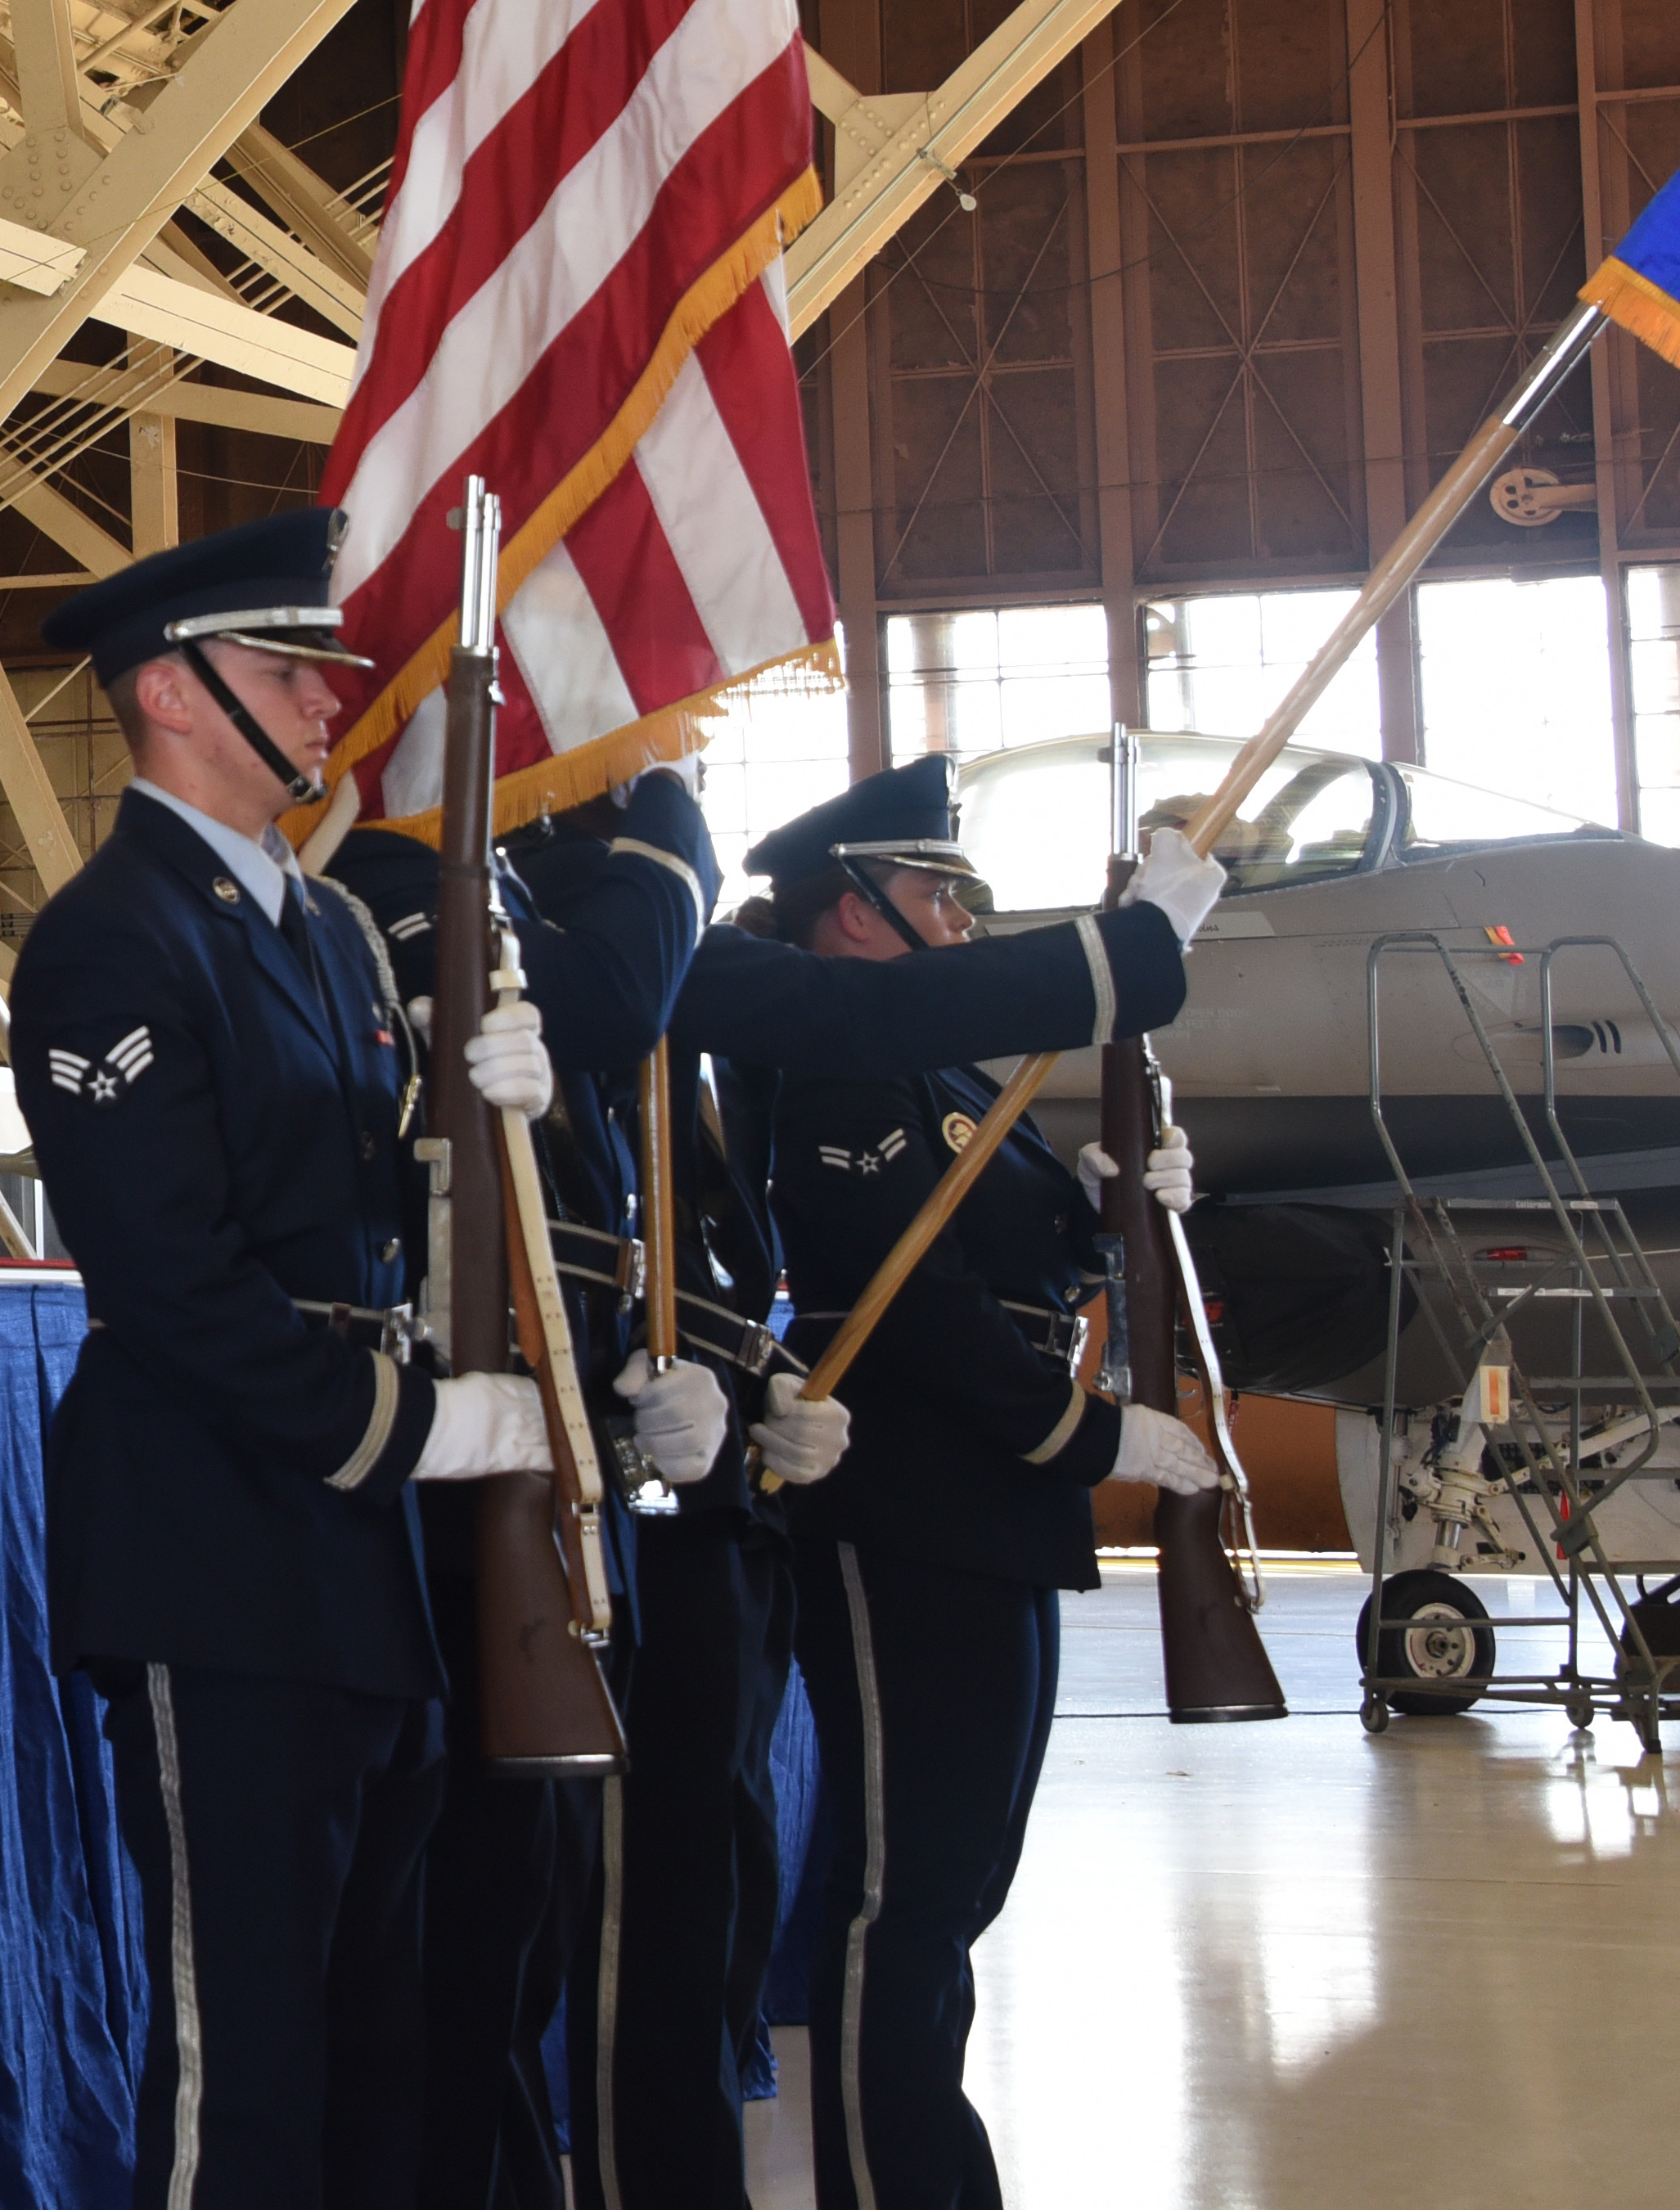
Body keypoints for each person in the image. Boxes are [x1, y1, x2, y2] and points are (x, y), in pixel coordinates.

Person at [20, 507, 565, 2210]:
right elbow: (172, 1279)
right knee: (241, 2073)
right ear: (170, 695)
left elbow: (365, 1206)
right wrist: (409, 1426)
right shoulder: (110, 938)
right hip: (217, 1548)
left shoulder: (324, 932)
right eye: (286, 670)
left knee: (372, 2048)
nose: (330, 701)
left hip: (357, 1561)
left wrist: (483, 1116)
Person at [746, 758, 1223, 2210]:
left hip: (993, 1506)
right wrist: (1087, 1439)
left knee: (956, 1887)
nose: (960, 916)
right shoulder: (838, 1061)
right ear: (851, 907)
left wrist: (1097, 1210)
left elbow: (1010, 1266)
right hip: (905, 1495)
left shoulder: (948, 1068)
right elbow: (918, 1312)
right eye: (937, 891)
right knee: (898, 1891)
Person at [327, 767, 748, 2210]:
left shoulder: (503, 889)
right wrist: (668, 810)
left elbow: (582, 1229)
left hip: (557, 1501)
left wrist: (664, 1409)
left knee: (520, 1949)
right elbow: (618, 988)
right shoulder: (386, 875)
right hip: (441, 1520)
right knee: (439, 1971)